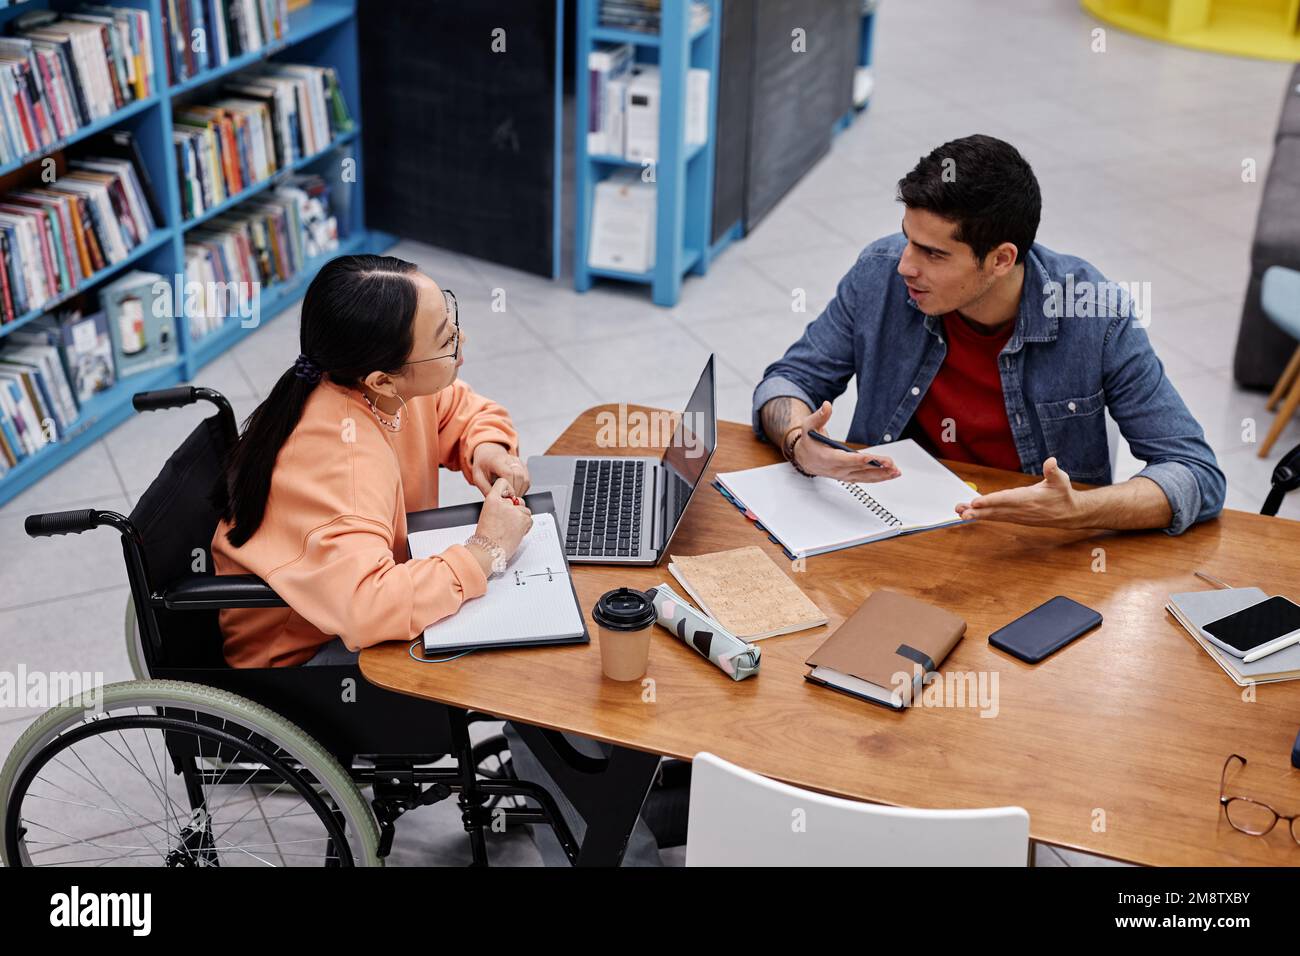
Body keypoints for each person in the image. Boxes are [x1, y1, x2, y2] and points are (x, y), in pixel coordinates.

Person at [212, 253, 663, 865]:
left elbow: (456, 408)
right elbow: (368, 610)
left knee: (552, 609)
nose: (462, 342)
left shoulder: (382, 386)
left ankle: (595, 788)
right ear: (382, 379)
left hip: (367, 588)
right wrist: (485, 551)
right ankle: (602, 835)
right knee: (534, 651)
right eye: (446, 339)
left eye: (450, 320)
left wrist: (488, 449)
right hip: (310, 655)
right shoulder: (334, 463)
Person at [753, 134, 1225, 534]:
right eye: (907, 238)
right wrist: (800, 443)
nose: (905, 265)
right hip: (884, 527)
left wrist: (1079, 510)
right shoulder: (879, 274)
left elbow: (1196, 474)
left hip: (1025, 546)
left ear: (1001, 259)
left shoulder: (1096, 317)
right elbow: (788, 380)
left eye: (933, 254)